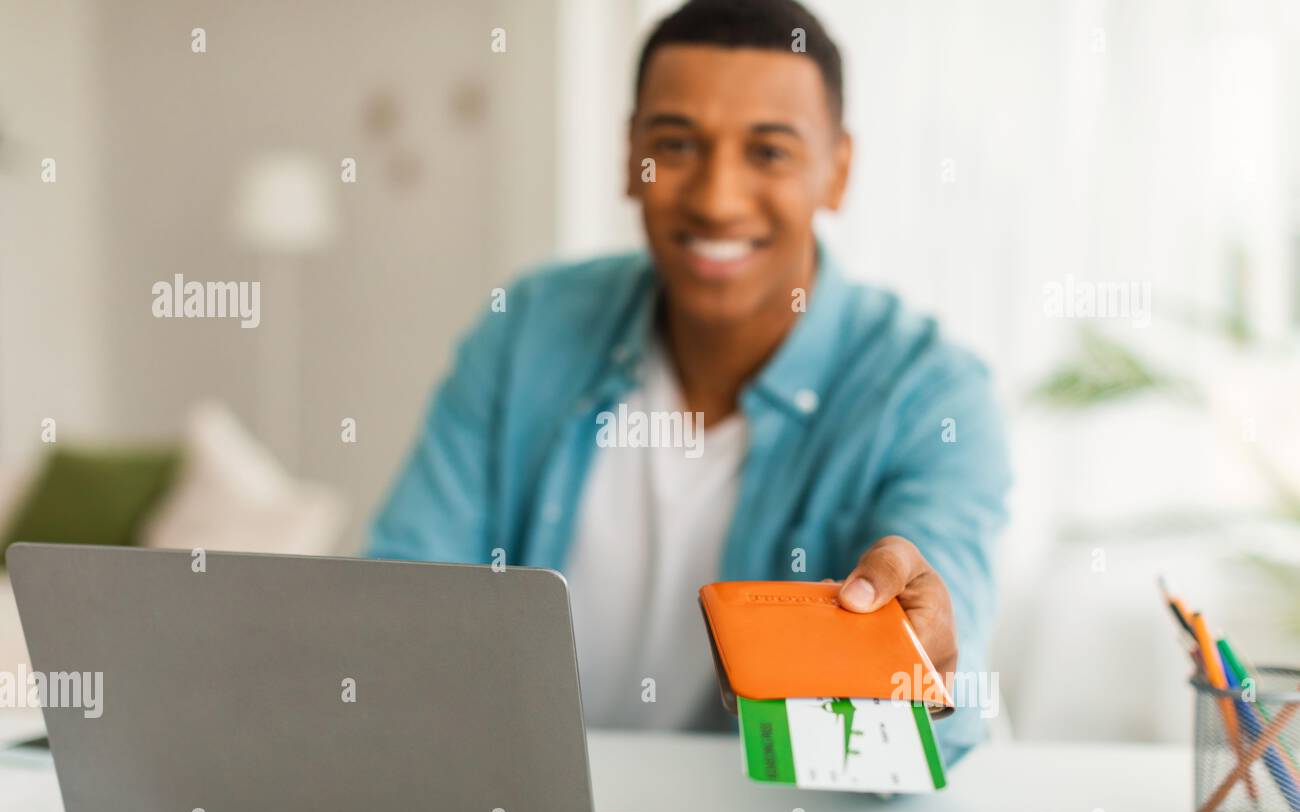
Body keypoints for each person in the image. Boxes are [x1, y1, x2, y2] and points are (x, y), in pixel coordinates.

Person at [367, 0, 1012, 766]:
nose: (715, 198)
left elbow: (948, 664)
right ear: (628, 155)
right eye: (676, 145)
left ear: (837, 172)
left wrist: (930, 665)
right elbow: (400, 608)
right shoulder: (527, 330)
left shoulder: (932, 395)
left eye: (769, 152)